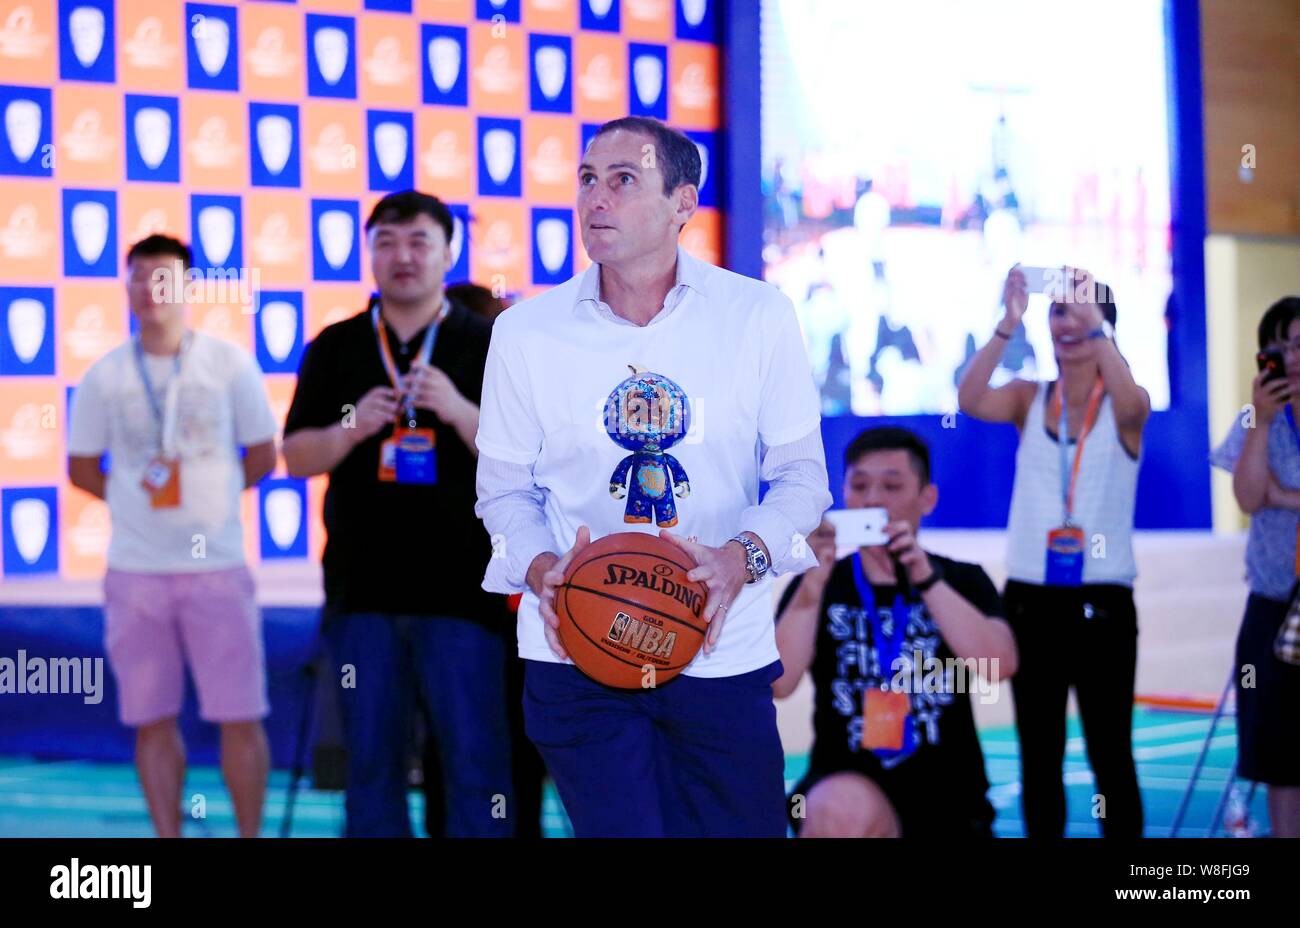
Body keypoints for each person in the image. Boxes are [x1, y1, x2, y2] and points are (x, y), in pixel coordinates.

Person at [475, 116, 832, 838]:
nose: (594, 199)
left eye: (622, 180)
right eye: (586, 180)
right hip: (578, 650)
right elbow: (504, 491)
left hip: (718, 645)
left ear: (683, 203)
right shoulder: (524, 333)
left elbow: (801, 480)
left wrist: (739, 560)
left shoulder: (758, 315)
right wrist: (545, 571)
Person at [282, 190, 514, 838]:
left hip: (465, 594)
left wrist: (458, 410)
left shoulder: (488, 341)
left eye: (418, 241)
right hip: (364, 595)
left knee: (476, 770)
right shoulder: (338, 345)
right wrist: (356, 423)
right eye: (385, 242)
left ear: (449, 251)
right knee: (370, 771)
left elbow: (526, 458)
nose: (402, 256)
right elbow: (296, 456)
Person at [67, 234, 279, 838]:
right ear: (127, 288)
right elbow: (82, 468)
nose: (151, 290)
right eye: (139, 278)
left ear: (187, 288)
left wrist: (208, 501)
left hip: (217, 564)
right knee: (151, 719)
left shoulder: (228, 362)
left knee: (242, 716)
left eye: (164, 279)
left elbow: (264, 453)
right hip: (135, 572)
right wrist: (139, 506)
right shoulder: (104, 375)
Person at [958, 266, 1151, 837]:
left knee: (1110, 754)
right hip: (1029, 599)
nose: (1063, 321)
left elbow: (1134, 404)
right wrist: (1007, 321)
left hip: (1103, 599)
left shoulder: (1124, 404)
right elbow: (969, 399)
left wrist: (1097, 329)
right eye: (1058, 311)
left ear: (1102, 324)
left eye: (1077, 312)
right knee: (1038, 756)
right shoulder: (1027, 396)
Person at [774, 427, 1017, 837]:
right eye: (859, 485)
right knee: (838, 810)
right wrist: (811, 587)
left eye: (891, 486)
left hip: (950, 796)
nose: (872, 500)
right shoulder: (820, 582)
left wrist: (925, 577)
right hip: (848, 782)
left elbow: (998, 665)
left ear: (927, 498)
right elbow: (780, 682)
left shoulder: (961, 578)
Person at [1211, 296, 1300, 838]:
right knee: (1282, 759)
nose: (1293, 356)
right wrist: (1262, 422)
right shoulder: (1255, 417)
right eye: (1283, 345)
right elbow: (1249, 496)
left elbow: (1269, 493)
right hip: (1274, 603)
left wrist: (1282, 494)